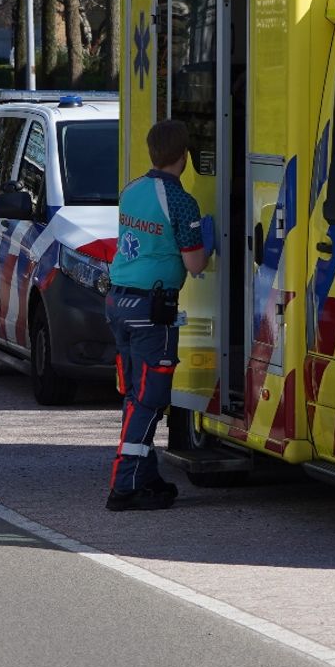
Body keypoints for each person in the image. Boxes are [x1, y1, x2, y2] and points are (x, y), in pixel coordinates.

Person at [105, 119, 212, 512]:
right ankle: (125, 486)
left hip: (118, 303)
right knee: (150, 399)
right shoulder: (181, 201)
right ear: (184, 156)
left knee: (135, 395)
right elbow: (195, 263)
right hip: (152, 310)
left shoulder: (132, 190)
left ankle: (146, 476)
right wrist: (208, 241)